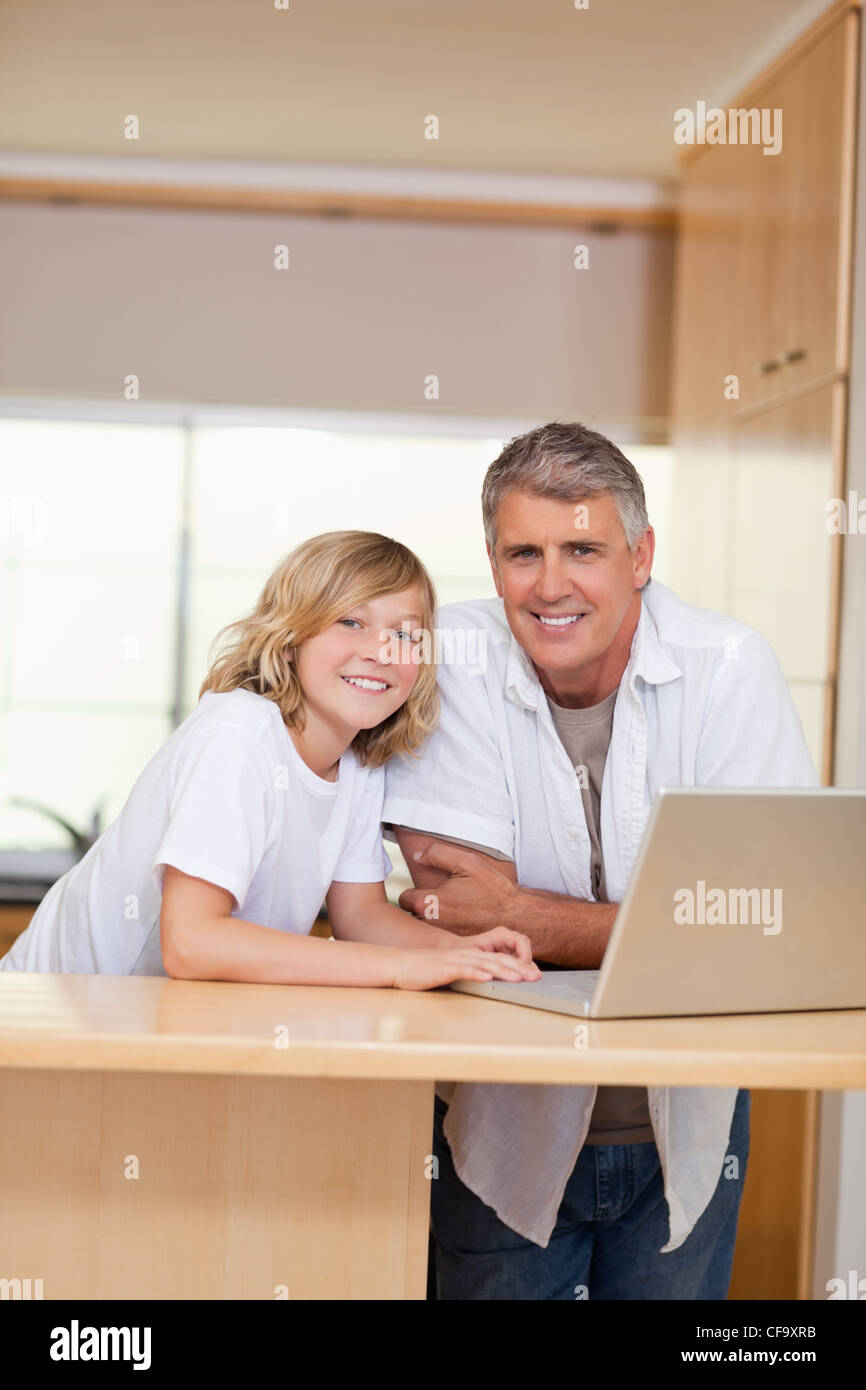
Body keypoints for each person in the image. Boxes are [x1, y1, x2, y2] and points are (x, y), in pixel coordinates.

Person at [384, 423, 818, 1300]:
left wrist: (534, 919)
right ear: (493, 559)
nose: (550, 586)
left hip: (683, 1136)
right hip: (500, 1127)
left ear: (641, 555)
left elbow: (765, 925)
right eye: (523, 553)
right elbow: (464, 914)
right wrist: (669, 927)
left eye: (583, 548)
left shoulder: (728, 668)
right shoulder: (457, 659)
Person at [0, 530, 539, 992]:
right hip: (50, 1015)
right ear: (291, 636)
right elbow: (192, 942)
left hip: (157, 1024)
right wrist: (400, 967)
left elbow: (362, 918)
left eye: (405, 632)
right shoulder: (239, 734)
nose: (382, 649)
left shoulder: (359, 762)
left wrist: (455, 953)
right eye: (351, 622)